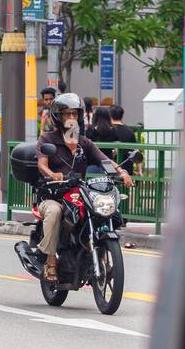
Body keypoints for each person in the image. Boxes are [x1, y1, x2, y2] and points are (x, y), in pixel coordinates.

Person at [35, 93, 134, 281]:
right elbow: (42, 164)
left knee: (103, 211)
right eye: (67, 114)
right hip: (52, 194)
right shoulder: (47, 139)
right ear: (58, 115)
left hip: (77, 193)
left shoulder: (83, 142)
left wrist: (122, 172)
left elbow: (104, 160)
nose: (71, 117)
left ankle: (98, 251)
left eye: (74, 114)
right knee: (55, 212)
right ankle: (50, 261)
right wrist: (53, 174)